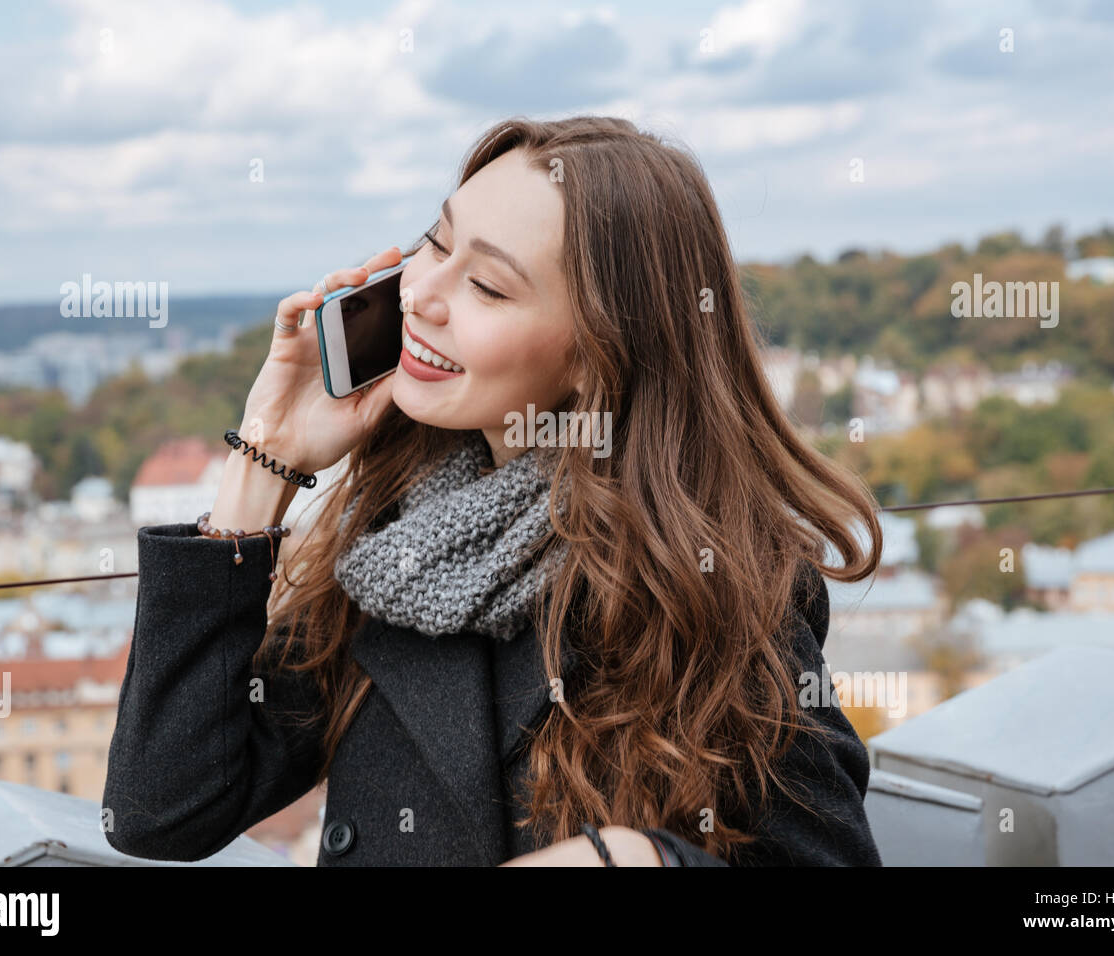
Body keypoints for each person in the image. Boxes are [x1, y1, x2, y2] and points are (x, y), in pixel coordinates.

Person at [102, 115, 884, 867]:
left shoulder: (713, 589)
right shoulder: (398, 542)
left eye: (486, 285)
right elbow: (164, 810)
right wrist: (266, 457)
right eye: (435, 242)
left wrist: (641, 859)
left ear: (598, 357)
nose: (419, 295)